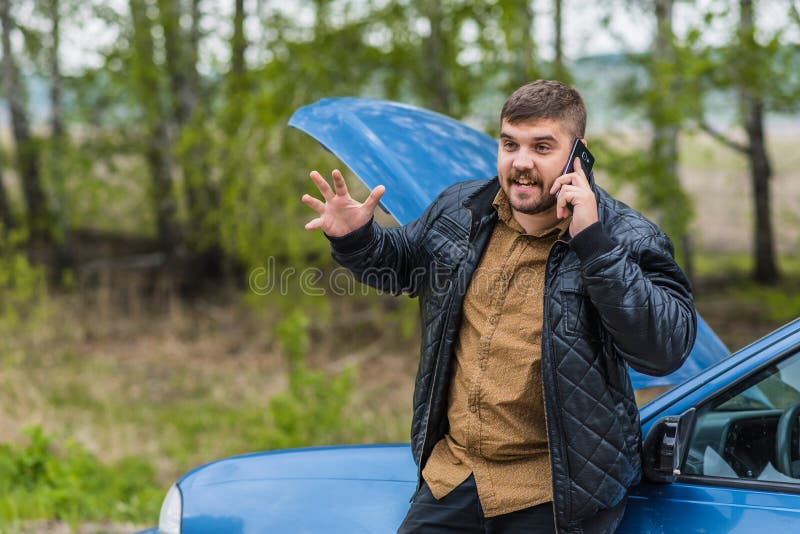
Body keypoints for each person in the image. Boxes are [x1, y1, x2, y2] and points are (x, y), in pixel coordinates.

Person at [301, 80, 696, 534]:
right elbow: (403, 266)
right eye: (510, 144)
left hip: (554, 494)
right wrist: (355, 238)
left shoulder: (627, 238)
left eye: (542, 147)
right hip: (456, 475)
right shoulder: (461, 209)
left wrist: (594, 246)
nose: (521, 162)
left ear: (578, 154)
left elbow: (664, 349)